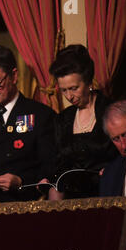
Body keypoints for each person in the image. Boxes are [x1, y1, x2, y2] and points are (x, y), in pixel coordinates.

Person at [0, 45, 57, 203]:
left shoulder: (42, 115)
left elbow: (51, 167)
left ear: (14, 76)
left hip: (22, 205)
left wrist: (22, 182)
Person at [44, 44, 119, 200]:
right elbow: (58, 165)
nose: (69, 96)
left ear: (89, 82)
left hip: (109, 193)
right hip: (71, 199)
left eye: (74, 88)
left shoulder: (112, 111)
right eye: (64, 90)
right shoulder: (62, 119)